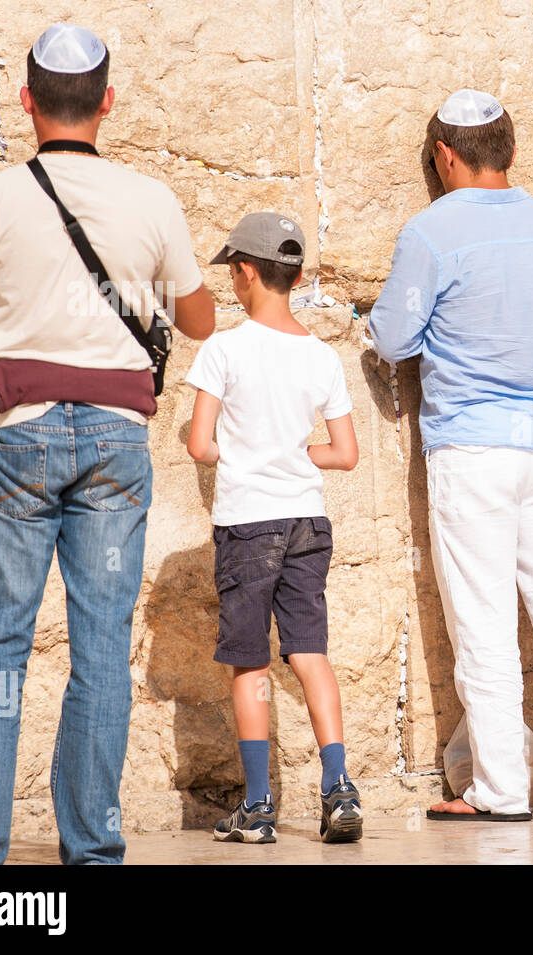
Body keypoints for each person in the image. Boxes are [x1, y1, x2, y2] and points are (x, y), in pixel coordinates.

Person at [0, 24, 215, 864]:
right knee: (101, 650)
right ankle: (92, 848)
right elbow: (199, 318)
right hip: (116, 439)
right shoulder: (152, 200)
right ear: (107, 102)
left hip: (20, 434)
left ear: (27, 103)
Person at [369, 89, 533, 821]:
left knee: (483, 624)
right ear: (508, 148)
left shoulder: (431, 230)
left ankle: (501, 789)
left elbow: (392, 339)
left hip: (473, 447)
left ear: (446, 156)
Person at [185, 212, 364, 843]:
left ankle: (258, 806)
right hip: (307, 521)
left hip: (248, 526)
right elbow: (345, 453)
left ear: (246, 271)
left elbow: (201, 446)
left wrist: (224, 447)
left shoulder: (224, 349)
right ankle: (339, 786)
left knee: (250, 663)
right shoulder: (321, 355)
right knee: (310, 652)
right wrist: (294, 455)